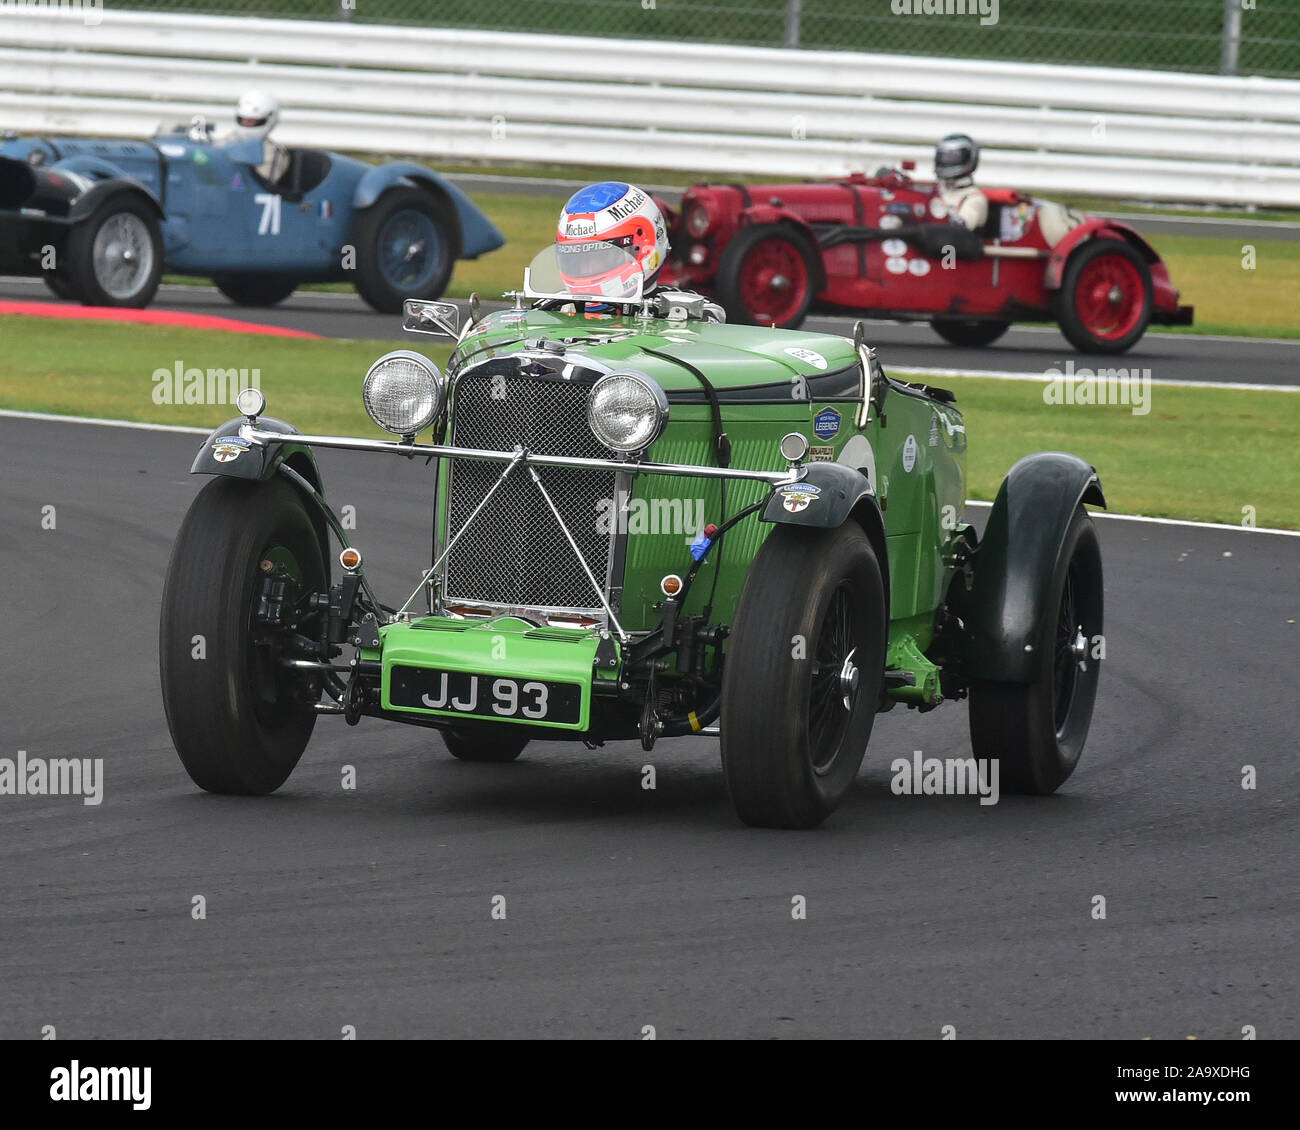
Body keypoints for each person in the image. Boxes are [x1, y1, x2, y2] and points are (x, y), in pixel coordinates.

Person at [553, 181, 669, 300]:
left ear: (642, 247)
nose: (585, 270)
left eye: (600, 257)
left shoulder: (680, 313)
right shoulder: (549, 309)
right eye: (576, 261)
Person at [231, 90, 289, 187]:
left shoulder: (272, 152)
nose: (246, 123)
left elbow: (261, 186)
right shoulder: (227, 142)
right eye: (243, 119)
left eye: (251, 121)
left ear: (266, 119)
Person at [934, 133, 988, 232]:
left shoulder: (974, 197)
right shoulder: (936, 190)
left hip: (953, 245)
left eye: (952, 157)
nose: (946, 160)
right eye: (944, 156)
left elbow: (962, 226)